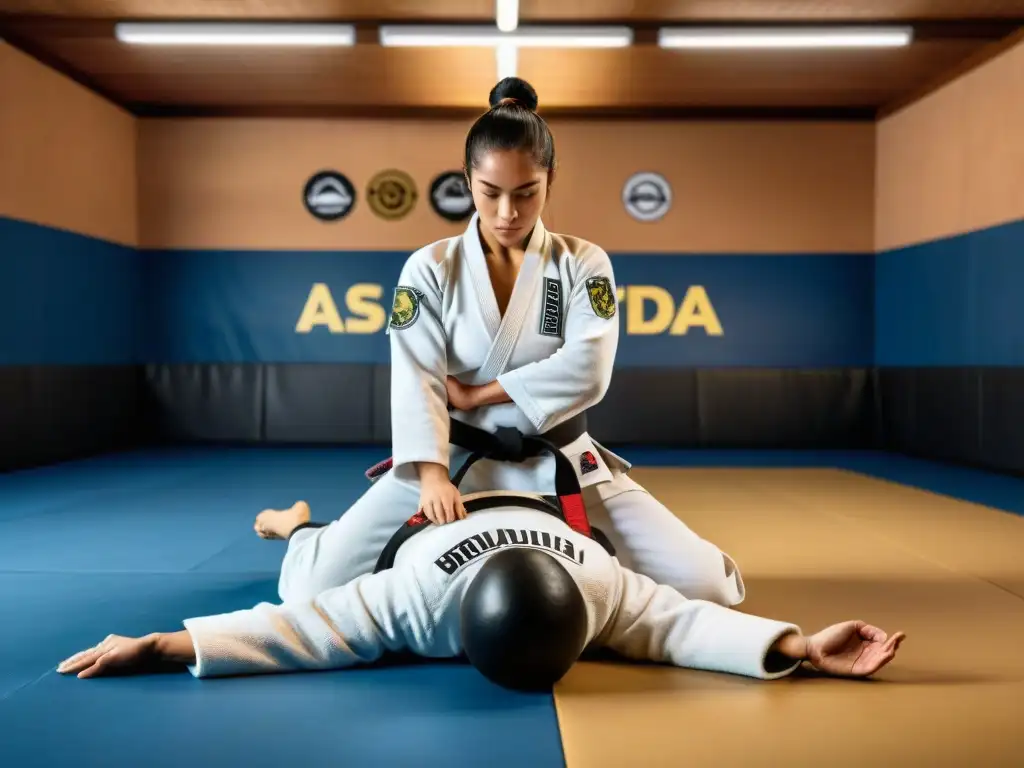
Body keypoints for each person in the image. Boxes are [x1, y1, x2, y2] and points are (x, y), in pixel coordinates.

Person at [254, 76, 744, 609]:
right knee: (307, 589)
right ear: (467, 181)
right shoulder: (431, 267)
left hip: (558, 454)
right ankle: (301, 529)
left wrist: (476, 393)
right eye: (491, 193)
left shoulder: (583, 263)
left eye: (526, 192)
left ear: (550, 180)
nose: (508, 212)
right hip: (454, 455)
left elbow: (590, 369)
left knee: (710, 587)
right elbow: (417, 373)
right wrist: (432, 475)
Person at [59, 492, 905, 687]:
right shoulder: (421, 593)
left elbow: (681, 619)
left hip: (550, 482)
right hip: (440, 492)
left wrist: (798, 644)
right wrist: (165, 643)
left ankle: (305, 526)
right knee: (309, 571)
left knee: (712, 582)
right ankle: (297, 520)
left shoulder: (595, 581)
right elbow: (303, 622)